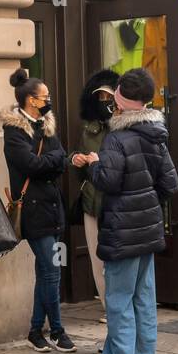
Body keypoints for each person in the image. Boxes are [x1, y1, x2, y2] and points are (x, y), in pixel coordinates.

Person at [85, 68, 178, 354]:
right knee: (143, 297)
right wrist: (148, 200)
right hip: (148, 227)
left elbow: (107, 182)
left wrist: (95, 165)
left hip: (122, 229)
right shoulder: (156, 136)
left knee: (119, 298)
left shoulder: (116, 139)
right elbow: (171, 184)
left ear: (121, 101)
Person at [2, 68, 73, 354]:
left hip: (53, 207)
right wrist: (54, 160)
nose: (49, 100)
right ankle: (56, 330)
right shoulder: (14, 131)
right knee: (52, 271)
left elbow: (62, 158)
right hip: (32, 209)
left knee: (46, 270)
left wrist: (54, 159)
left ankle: (35, 329)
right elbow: (31, 165)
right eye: (45, 96)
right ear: (31, 100)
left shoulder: (46, 125)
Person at [74, 69, 120, 316]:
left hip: (117, 203)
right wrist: (79, 160)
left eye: (109, 97)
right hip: (93, 200)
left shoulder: (124, 128)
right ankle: (109, 312)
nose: (104, 102)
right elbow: (79, 166)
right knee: (97, 262)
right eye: (100, 98)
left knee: (119, 264)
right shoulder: (88, 130)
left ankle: (119, 321)